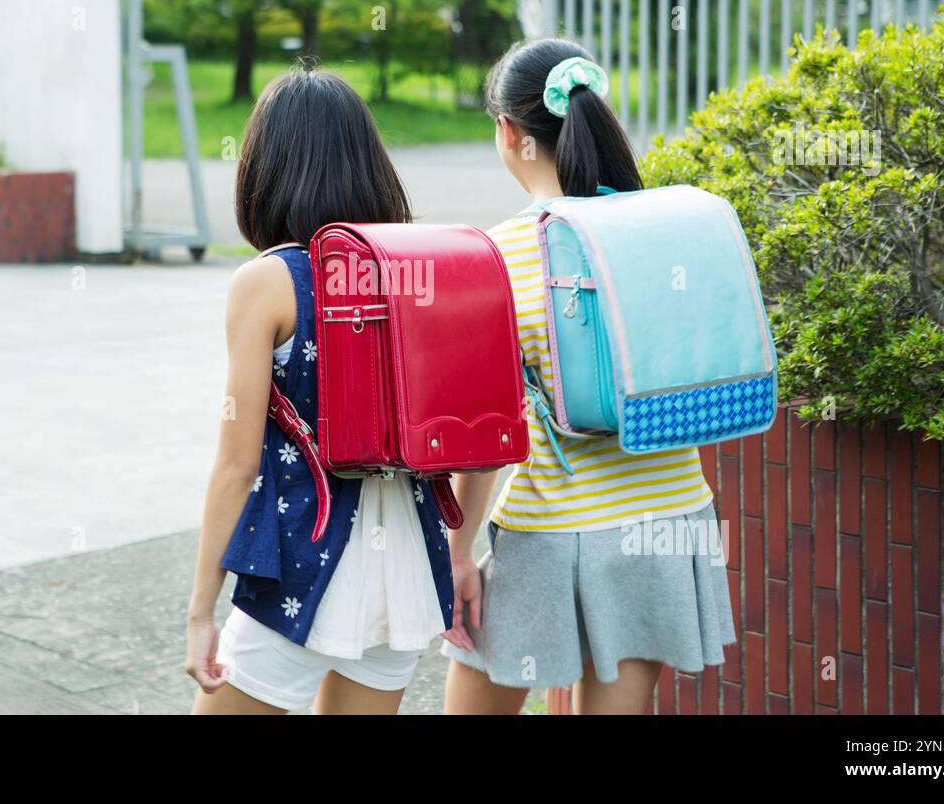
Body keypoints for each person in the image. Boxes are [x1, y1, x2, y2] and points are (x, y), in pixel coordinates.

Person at [441, 38, 737, 714]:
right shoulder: (669, 227)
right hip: (669, 514)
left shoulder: (497, 256)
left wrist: (458, 554)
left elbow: (491, 437)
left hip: (553, 528)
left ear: (509, 134)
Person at [185, 64, 455, 714]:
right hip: (409, 564)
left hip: (306, 559)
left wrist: (200, 610)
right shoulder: (417, 264)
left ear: (264, 168)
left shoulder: (268, 281)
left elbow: (236, 464)